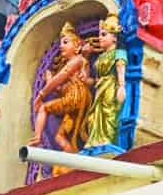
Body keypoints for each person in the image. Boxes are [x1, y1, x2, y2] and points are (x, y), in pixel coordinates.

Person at [29, 22, 92, 172]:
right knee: (60, 136)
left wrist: (41, 95)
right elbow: (60, 88)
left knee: (44, 107)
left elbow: (62, 77)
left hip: (76, 96)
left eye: (65, 42)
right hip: (76, 97)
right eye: (61, 43)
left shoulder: (77, 60)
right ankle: (74, 161)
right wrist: (49, 80)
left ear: (77, 47)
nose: (61, 46)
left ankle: (37, 138)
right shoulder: (77, 63)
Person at [86, 14, 127, 151]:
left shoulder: (119, 53)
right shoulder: (101, 56)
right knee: (93, 118)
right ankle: (95, 141)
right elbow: (96, 78)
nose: (100, 38)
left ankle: (107, 141)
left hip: (111, 87)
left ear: (114, 38)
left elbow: (120, 68)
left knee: (109, 115)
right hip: (100, 89)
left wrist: (121, 87)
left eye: (104, 34)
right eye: (100, 35)